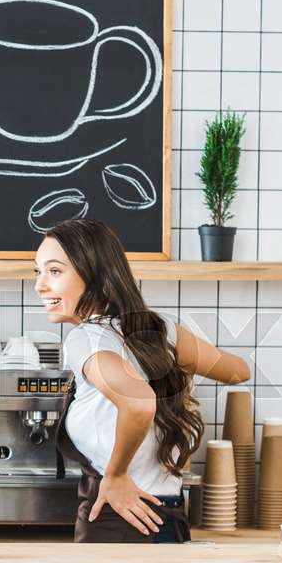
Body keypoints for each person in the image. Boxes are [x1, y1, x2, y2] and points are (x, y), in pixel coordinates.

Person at [34, 219, 251, 542]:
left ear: (93, 273)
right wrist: (167, 365)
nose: (40, 285)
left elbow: (137, 402)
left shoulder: (86, 339)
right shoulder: (161, 330)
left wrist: (117, 475)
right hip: (170, 520)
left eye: (54, 271)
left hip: (120, 520)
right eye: (37, 271)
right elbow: (238, 371)